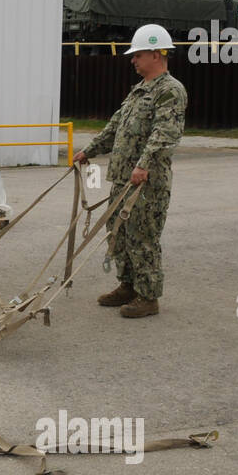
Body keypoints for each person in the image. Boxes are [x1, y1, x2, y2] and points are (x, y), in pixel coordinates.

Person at [72, 24, 187, 318]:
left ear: (156, 54)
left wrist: (143, 165)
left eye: (138, 55)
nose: (133, 60)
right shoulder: (138, 91)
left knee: (143, 237)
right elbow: (115, 128)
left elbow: (165, 133)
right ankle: (128, 285)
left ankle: (148, 297)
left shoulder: (170, 91)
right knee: (119, 234)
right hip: (123, 179)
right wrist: (89, 150)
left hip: (147, 182)